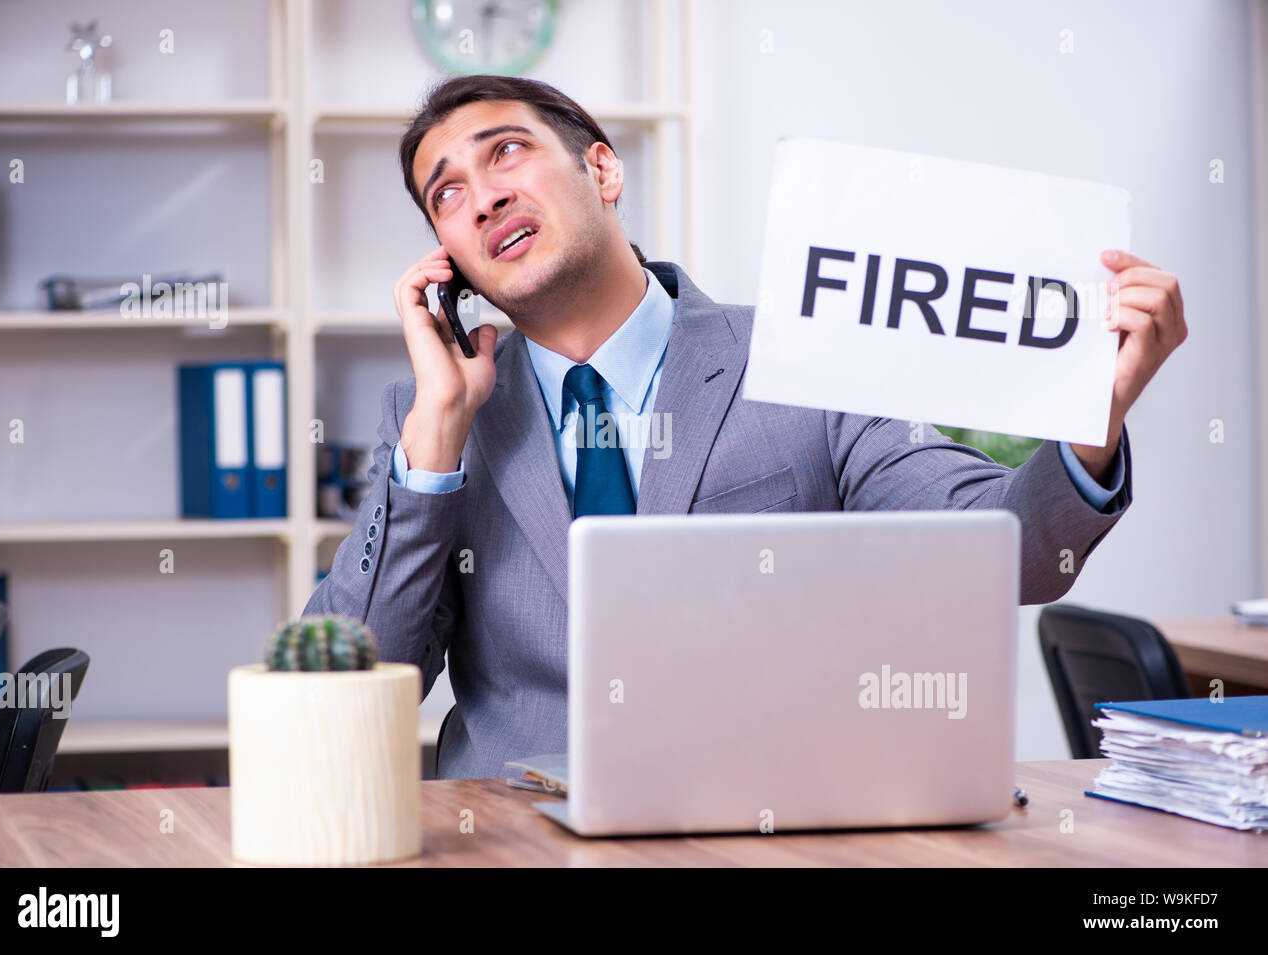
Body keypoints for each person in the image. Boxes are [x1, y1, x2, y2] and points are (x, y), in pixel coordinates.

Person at [304, 75, 1188, 780]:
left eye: (507, 153)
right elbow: (349, 691)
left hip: (765, 829)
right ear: (444, 258)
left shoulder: (809, 354)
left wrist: (1088, 421)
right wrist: (435, 445)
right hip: (516, 840)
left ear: (602, 172)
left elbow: (1013, 553)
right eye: (447, 193)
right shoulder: (430, 419)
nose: (484, 198)